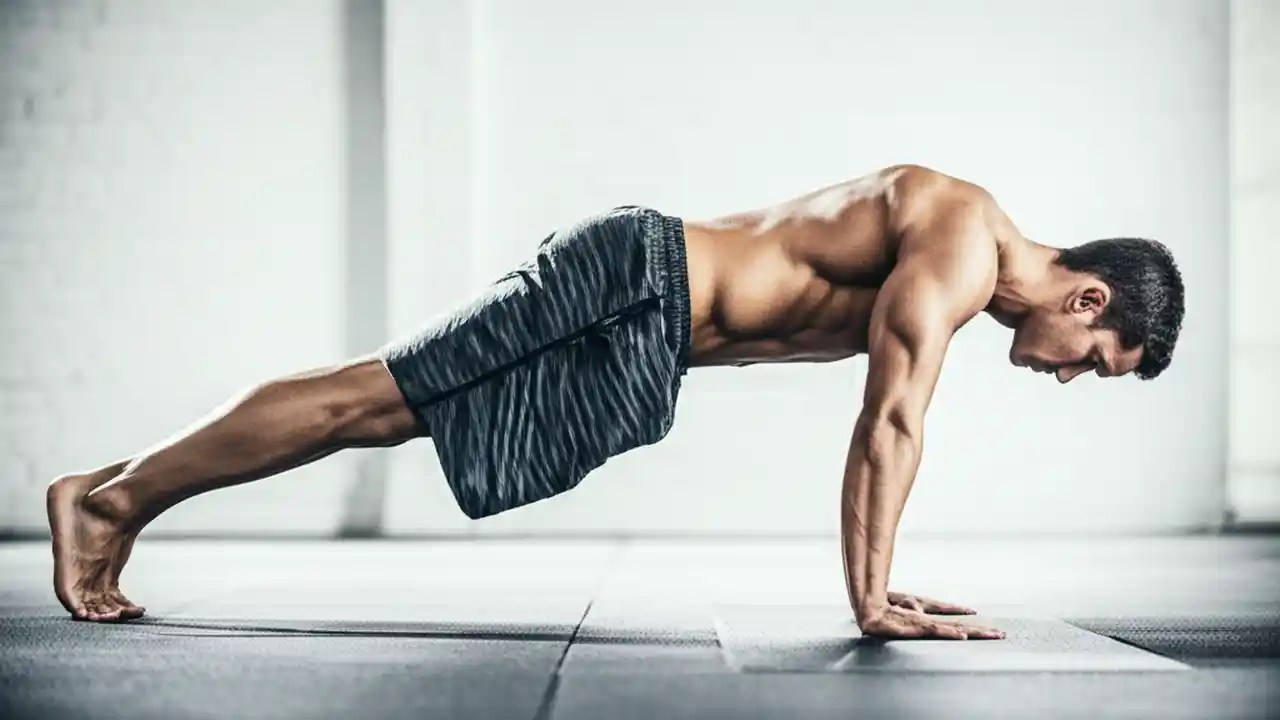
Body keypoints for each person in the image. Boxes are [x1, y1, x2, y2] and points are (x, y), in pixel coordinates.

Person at [47, 164, 1185, 639]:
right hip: (633, 281)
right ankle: (111, 503)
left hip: (646, 313)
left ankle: (117, 496)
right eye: (1094, 358)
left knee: (386, 409)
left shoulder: (964, 264)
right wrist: (870, 598)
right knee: (373, 396)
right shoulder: (958, 244)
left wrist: (874, 587)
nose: (1068, 376)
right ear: (1085, 297)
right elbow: (890, 420)